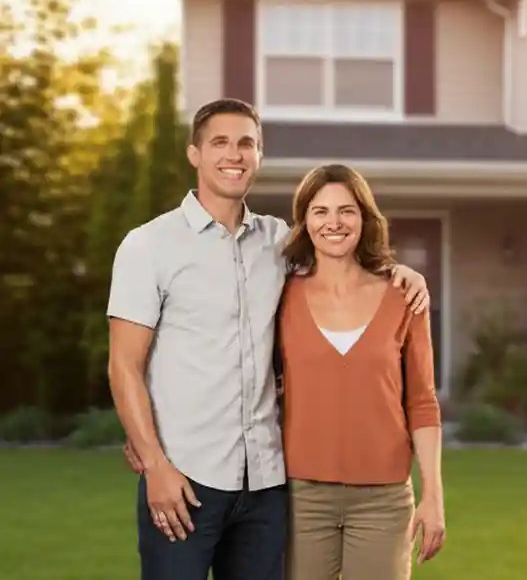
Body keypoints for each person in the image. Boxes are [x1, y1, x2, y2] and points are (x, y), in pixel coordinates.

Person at [107, 97, 429, 580]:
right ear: (194, 153)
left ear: (259, 156)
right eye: (220, 142)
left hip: (266, 487)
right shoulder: (149, 245)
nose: (233, 154)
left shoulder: (278, 244)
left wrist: (399, 272)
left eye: (246, 144)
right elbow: (123, 366)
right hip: (184, 480)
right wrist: (153, 461)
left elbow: (339, 257)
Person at [276, 163, 446, 580]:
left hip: (383, 501)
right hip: (299, 497)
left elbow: (422, 402)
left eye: (346, 210)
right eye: (320, 211)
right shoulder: (279, 294)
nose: (333, 222)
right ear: (304, 221)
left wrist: (434, 495)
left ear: (364, 218)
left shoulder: (403, 295)